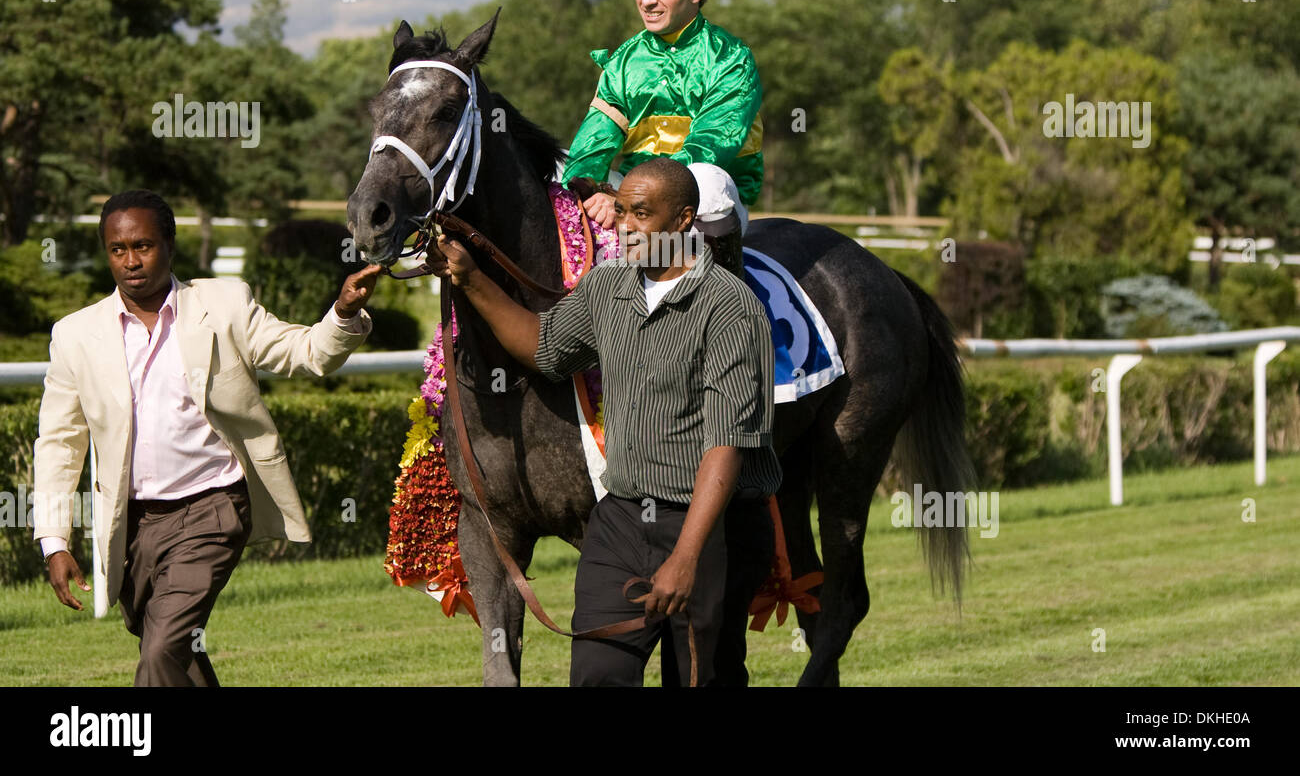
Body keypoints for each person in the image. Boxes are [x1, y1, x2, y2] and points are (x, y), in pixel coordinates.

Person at [432, 157, 780, 686]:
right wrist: (473, 279)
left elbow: (726, 445)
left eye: (640, 213)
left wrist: (686, 557)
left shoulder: (731, 310)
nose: (624, 225)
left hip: (709, 525)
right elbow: (543, 347)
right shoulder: (606, 288)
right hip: (619, 523)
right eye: (620, 211)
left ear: (684, 220)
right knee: (597, 676)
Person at [33, 189, 382, 686]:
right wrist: (54, 541)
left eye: (144, 246)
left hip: (212, 510)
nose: (130, 261)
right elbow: (58, 444)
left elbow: (306, 353)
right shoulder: (74, 335)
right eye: (118, 249)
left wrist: (343, 314)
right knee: (177, 653)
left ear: (170, 245)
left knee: (160, 652)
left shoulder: (223, 304)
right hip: (131, 527)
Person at [562, 0, 763, 277]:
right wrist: (593, 189)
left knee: (708, 182)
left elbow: (710, 146)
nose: (648, 0)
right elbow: (593, 142)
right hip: (633, 192)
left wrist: (632, 200)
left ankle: (728, 304)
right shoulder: (623, 61)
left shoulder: (730, 58)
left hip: (704, 196)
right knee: (557, 167)